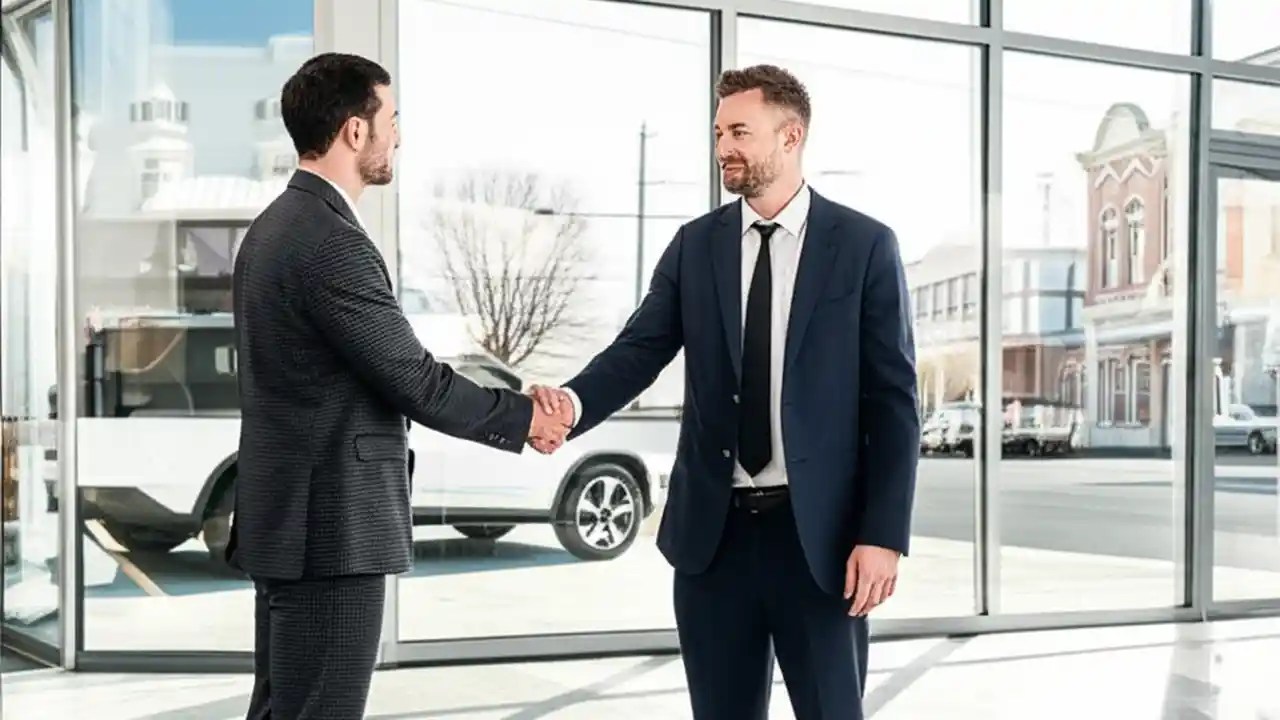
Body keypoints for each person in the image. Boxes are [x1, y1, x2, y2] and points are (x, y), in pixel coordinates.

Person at [529, 65, 919, 719]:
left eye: (740, 131)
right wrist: (570, 405)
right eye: (717, 133)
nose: (723, 148)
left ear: (790, 136)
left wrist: (884, 535)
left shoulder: (864, 246)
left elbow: (895, 401)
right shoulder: (695, 247)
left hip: (819, 543)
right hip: (714, 544)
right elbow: (638, 351)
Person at [227, 52, 571, 719]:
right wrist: (525, 416)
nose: (399, 136)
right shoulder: (327, 240)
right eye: (392, 118)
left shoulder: (274, 228)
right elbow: (413, 378)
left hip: (292, 524)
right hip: (329, 530)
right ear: (356, 131)